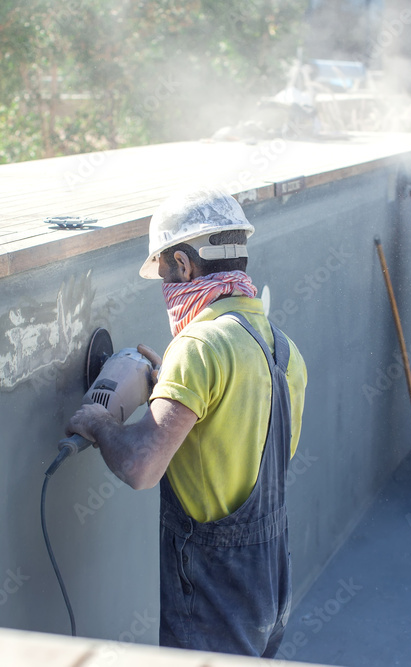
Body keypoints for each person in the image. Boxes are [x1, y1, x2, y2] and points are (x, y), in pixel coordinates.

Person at [66, 187, 308, 657]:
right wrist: (174, 398)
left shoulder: (198, 346)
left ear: (183, 263)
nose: (166, 290)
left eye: (163, 275)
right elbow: (247, 447)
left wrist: (97, 422)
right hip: (271, 580)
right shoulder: (282, 346)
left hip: (214, 585)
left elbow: (140, 466)